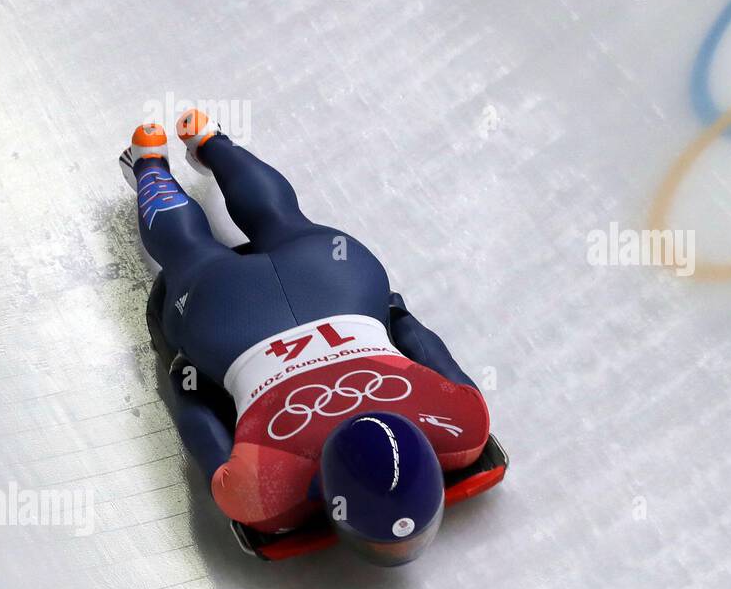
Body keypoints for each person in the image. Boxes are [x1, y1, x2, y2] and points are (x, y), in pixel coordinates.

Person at [120, 111, 502, 565]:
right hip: (228, 317)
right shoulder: (261, 495)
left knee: (278, 218)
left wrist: (391, 310)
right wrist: (187, 375)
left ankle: (204, 141)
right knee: (191, 256)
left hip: (336, 279)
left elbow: (417, 340)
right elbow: (197, 421)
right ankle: (151, 163)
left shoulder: (464, 427)